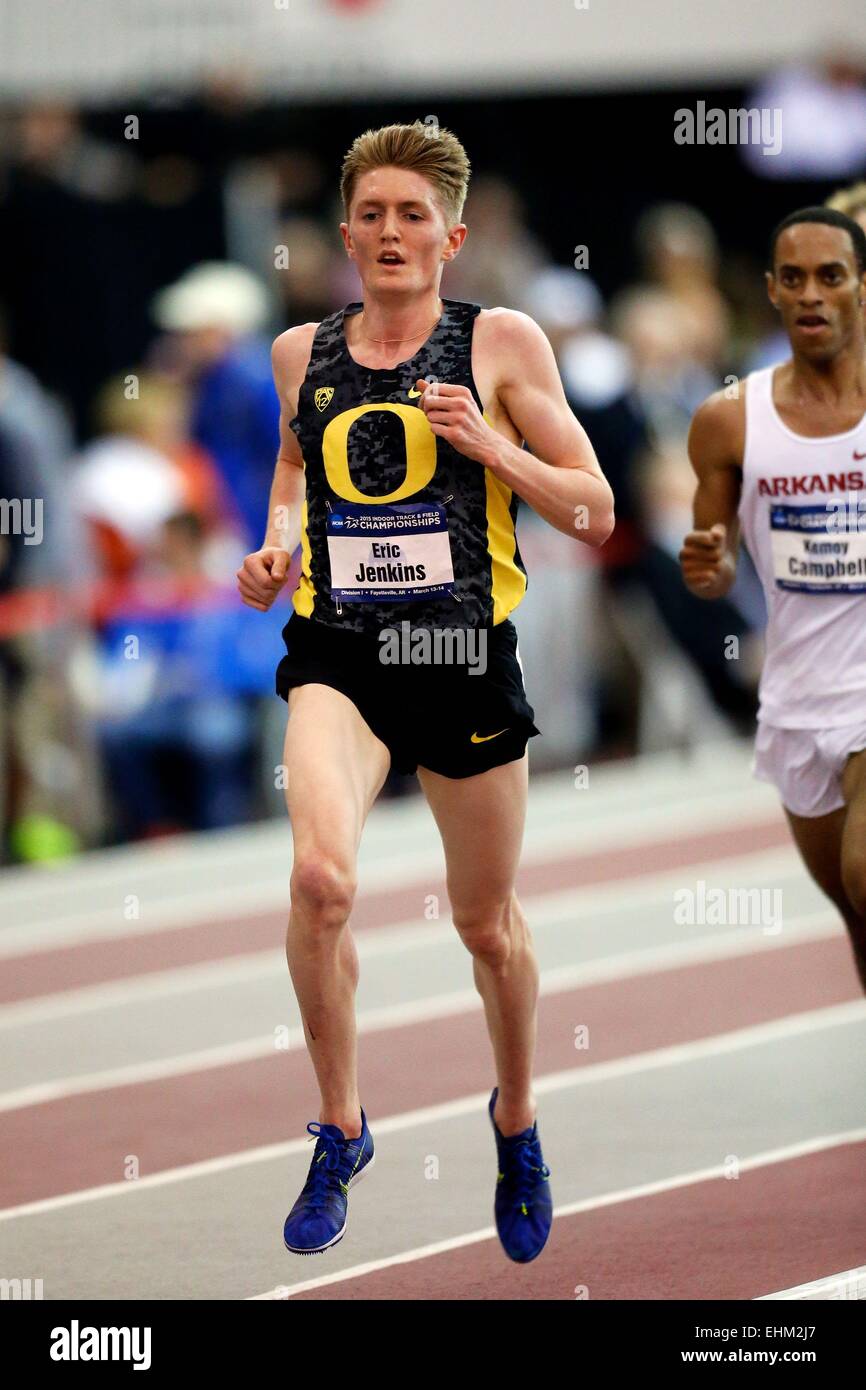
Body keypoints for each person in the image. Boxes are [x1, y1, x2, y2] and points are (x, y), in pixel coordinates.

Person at [236, 121, 614, 1263]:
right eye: (372, 214)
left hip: (460, 661)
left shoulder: (498, 342)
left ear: (449, 236)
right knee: (317, 879)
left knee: (486, 928)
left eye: (413, 216)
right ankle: (342, 1125)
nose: (390, 233)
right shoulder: (299, 351)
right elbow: (298, 466)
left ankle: (514, 1117)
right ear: (344, 231)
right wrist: (275, 546)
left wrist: (492, 451)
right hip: (340, 657)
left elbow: (592, 507)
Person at [680, 207, 866, 993]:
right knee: (855, 915)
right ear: (772, 293)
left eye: (831, 276)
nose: (812, 294)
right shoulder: (729, 421)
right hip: (797, 700)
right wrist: (710, 566)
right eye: (794, 279)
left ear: (862, 287)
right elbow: (714, 569)